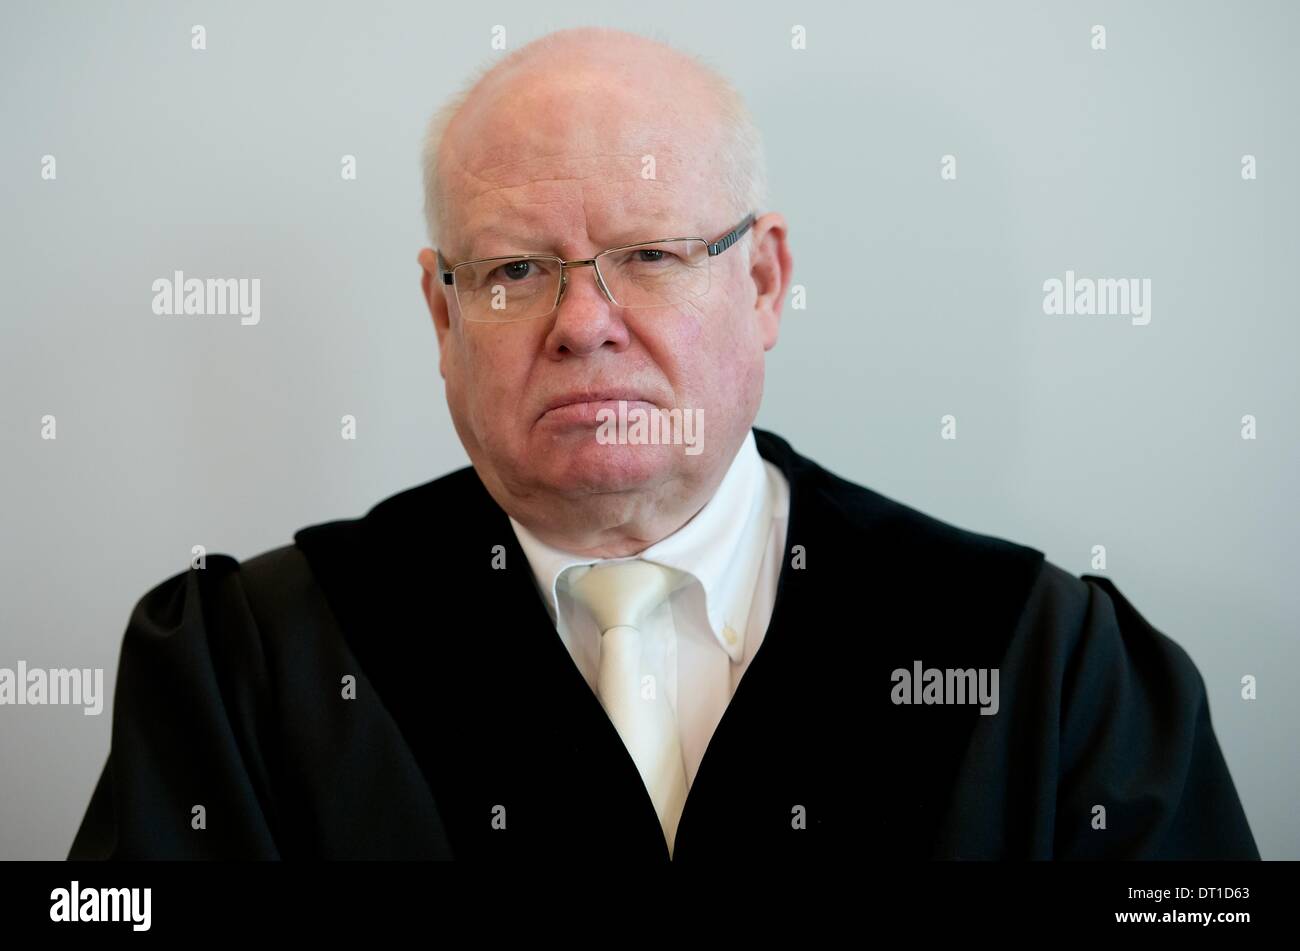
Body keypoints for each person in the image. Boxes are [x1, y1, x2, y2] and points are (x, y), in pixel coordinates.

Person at [68, 26, 1258, 861]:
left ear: (765, 280)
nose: (584, 325)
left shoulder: (1042, 670)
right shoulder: (247, 673)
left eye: (649, 254)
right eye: (516, 270)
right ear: (443, 315)